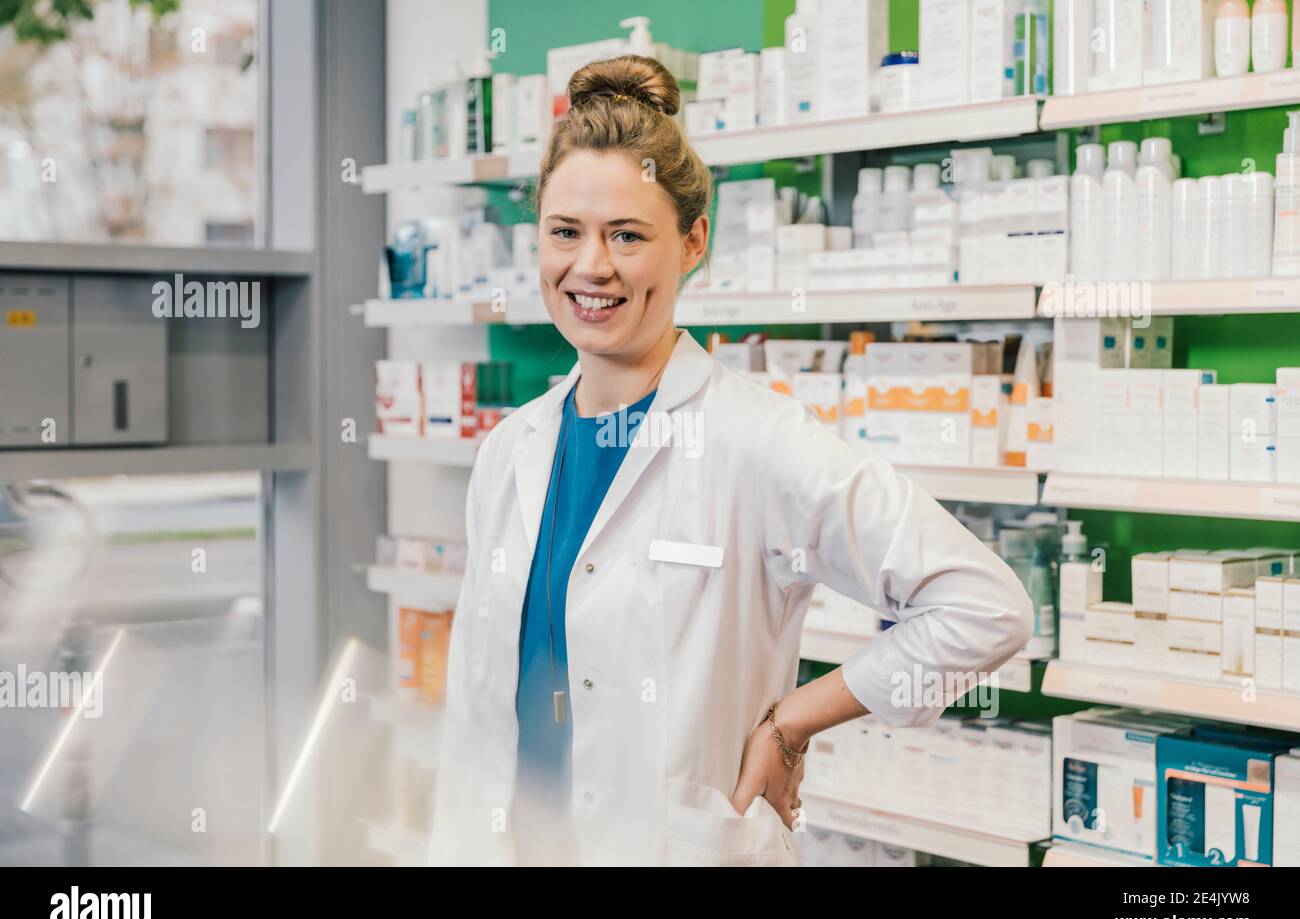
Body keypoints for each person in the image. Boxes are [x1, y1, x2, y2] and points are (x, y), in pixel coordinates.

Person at [428, 55, 1033, 867]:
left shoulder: (758, 442)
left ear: (693, 242)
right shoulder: (509, 452)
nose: (591, 267)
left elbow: (986, 608)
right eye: (565, 232)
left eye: (628, 236)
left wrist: (794, 720)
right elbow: (474, 712)